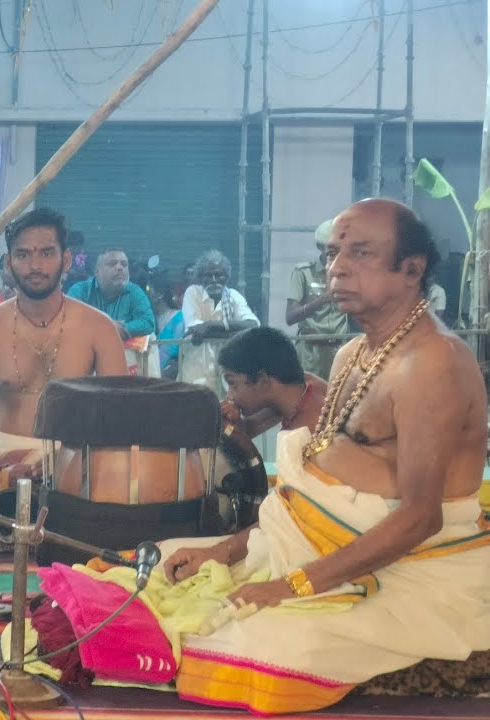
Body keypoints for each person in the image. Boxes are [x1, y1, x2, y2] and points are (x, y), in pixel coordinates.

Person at [93, 198, 488, 715]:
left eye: (361, 253)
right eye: (334, 252)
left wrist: (290, 586)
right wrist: (226, 551)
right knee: (156, 563)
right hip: (304, 545)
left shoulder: (434, 363)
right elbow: (301, 495)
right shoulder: (351, 355)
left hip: (410, 565)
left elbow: (419, 517)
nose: (337, 266)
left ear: (411, 269)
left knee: (257, 642)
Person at [0, 207, 127, 480]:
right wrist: (1, 471)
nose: (35, 266)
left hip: (74, 453)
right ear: (9, 263)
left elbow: (115, 416)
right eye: (23, 255)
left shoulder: (99, 328)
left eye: (46, 253)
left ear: (65, 259)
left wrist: (72, 459)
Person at [217, 326, 327, 438]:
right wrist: (231, 424)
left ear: (262, 380)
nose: (229, 396)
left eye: (232, 383)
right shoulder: (296, 389)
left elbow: (242, 439)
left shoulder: (315, 426)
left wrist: (241, 442)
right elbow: (244, 430)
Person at [179, 250, 260, 396]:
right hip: (197, 371)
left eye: (219, 275)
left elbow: (253, 325)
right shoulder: (193, 293)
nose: (214, 280)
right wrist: (234, 332)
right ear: (200, 277)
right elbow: (195, 329)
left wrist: (210, 325)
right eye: (208, 275)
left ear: (226, 277)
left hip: (228, 371)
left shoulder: (233, 296)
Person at [287, 220, 350, 379]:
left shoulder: (350, 273)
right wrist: (323, 299)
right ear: (320, 248)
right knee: (308, 397)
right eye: (331, 249)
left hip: (339, 349)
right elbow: (290, 317)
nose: (336, 253)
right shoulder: (304, 272)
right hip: (310, 351)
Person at [65, 248, 156, 340]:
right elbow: (67, 320)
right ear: (97, 271)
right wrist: (107, 326)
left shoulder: (134, 291)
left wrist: (122, 328)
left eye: (124, 264)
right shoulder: (80, 290)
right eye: (112, 264)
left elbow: (148, 323)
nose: (120, 268)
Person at [149, 271, 185, 378]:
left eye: (148, 289)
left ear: (159, 294)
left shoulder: (179, 318)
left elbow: (175, 353)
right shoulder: (147, 320)